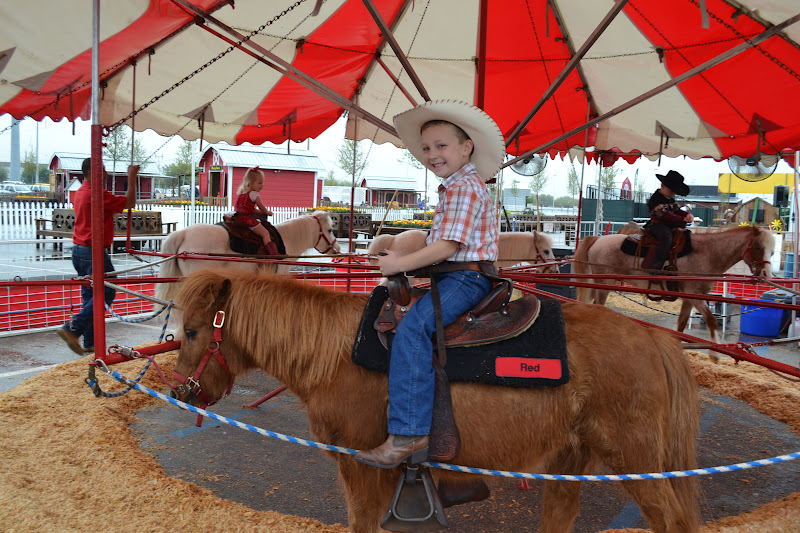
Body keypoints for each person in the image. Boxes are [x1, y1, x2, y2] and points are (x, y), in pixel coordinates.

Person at [356, 100, 503, 468]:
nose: (432, 155)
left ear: (466, 147)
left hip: (467, 278)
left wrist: (400, 263)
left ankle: (408, 432)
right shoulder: (454, 187)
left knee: (413, 331)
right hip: (455, 273)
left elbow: (447, 246)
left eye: (442, 146)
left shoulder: (463, 188)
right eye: (426, 148)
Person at [57, 159, 139, 355]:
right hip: (92, 250)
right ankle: (72, 329)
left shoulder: (82, 191)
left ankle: (91, 342)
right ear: (92, 172)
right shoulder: (96, 194)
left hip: (79, 249)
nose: (105, 174)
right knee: (107, 291)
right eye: (102, 171)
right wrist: (132, 176)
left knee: (90, 296)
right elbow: (129, 203)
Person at [646, 169, 693, 271]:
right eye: (671, 191)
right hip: (657, 225)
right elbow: (664, 215)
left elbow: (676, 210)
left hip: (668, 224)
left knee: (686, 234)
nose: (673, 194)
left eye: (674, 192)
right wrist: (683, 218)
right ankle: (655, 267)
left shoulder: (670, 199)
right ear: (663, 186)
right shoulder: (655, 199)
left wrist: (687, 214)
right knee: (666, 236)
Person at [234, 167, 279, 256]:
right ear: (250, 183)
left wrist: (259, 212)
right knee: (265, 233)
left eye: (262, 183)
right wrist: (267, 212)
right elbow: (261, 207)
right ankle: (273, 253)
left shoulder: (243, 193)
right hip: (247, 219)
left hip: (238, 217)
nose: (262, 185)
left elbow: (249, 208)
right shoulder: (254, 194)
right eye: (259, 183)